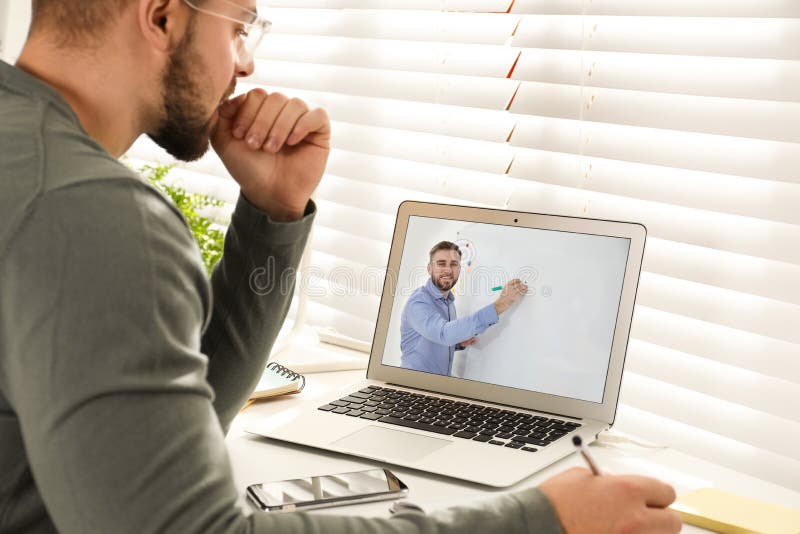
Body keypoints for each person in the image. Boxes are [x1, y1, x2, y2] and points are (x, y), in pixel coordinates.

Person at [0, 1, 682, 532]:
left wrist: (273, 209)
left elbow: (161, 449)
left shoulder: (26, 159)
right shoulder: (88, 213)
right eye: (240, 27)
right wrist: (542, 521)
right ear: (161, 15)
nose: (244, 65)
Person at [400, 241, 527, 375]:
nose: (448, 270)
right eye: (441, 263)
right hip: (413, 386)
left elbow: (432, 337)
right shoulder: (418, 303)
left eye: (454, 264)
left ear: (459, 270)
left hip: (438, 386)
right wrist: (501, 304)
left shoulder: (448, 302)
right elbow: (444, 334)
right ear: (429, 268)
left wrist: (457, 344)